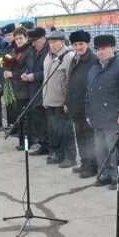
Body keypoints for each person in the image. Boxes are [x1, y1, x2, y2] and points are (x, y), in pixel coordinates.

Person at [85, 34, 119, 190]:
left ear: (113, 48)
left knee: (115, 149)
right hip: (97, 117)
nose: (100, 52)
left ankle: (117, 177)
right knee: (100, 150)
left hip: (114, 117)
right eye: (98, 49)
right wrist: (88, 113)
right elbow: (88, 93)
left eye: (104, 48)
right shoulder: (94, 68)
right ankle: (105, 175)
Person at [64, 30, 98, 178]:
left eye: (81, 44)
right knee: (80, 136)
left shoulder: (93, 60)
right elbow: (70, 82)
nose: (78, 47)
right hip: (75, 105)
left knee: (89, 138)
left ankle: (92, 167)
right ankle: (84, 162)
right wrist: (67, 101)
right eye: (75, 44)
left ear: (87, 44)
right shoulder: (74, 59)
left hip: (88, 107)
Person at [42, 30, 76, 167]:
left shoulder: (69, 56)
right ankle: (59, 154)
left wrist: (67, 101)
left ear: (62, 42)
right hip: (50, 100)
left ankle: (70, 157)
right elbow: (46, 79)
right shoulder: (49, 56)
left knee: (66, 131)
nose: (52, 45)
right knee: (54, 130)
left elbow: (70, 82)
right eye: (50, 42)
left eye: (55, 42)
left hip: (62, 102)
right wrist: (44, 98)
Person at [23, 27, 50, 155]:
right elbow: (29, 66)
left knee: (47, 121)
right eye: (32, 41)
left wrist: (35, 76)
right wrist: (26, 74)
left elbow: (50, 71)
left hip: (46, 89)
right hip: (33, 89)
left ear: (43, 38)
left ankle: (50, 146)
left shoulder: (49, 51)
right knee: (38, 120)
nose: (33, 43)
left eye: (36, 41)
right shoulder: (31, 51)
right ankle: (43, 144)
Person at [4, 26, 32, 149]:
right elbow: (10, 66)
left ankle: (26, 142)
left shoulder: (29, 51)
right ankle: (21, 141)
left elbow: (27, 69)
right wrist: (6, 71)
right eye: (16, 38)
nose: (19, 40)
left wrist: (12, 74)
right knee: (19, 115)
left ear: (26, 38)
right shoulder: (14, 51)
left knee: (25, 116)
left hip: (25, 87)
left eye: (21, 38)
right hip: (16, 87)